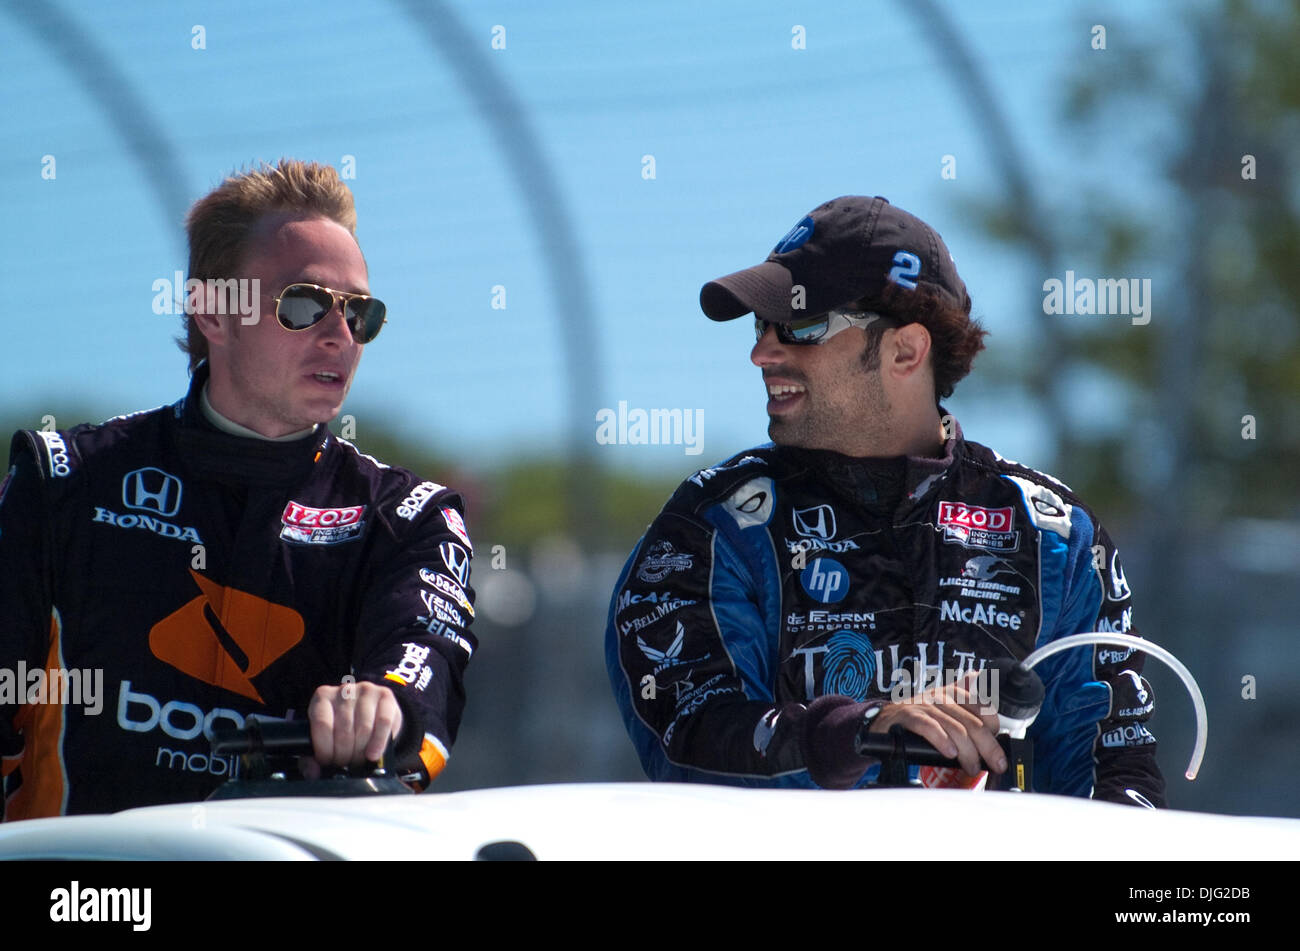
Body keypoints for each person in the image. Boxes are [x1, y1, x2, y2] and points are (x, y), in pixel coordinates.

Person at [604, 195, 1166, 804]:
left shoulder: (1053, 534)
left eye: (799, 326)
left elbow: (1117, 786)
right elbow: (686, 743)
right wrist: (862, 731)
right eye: (760, 326)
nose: (762, 353)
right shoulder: (713, 528)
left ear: (905, 350)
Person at [0, 159, 476, 819]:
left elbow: (423, 671)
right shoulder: (63, 482)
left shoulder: (410, 518)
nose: (339, 334)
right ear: (213, 315)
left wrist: (382, 703)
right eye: (304, 303)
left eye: (360, 314)